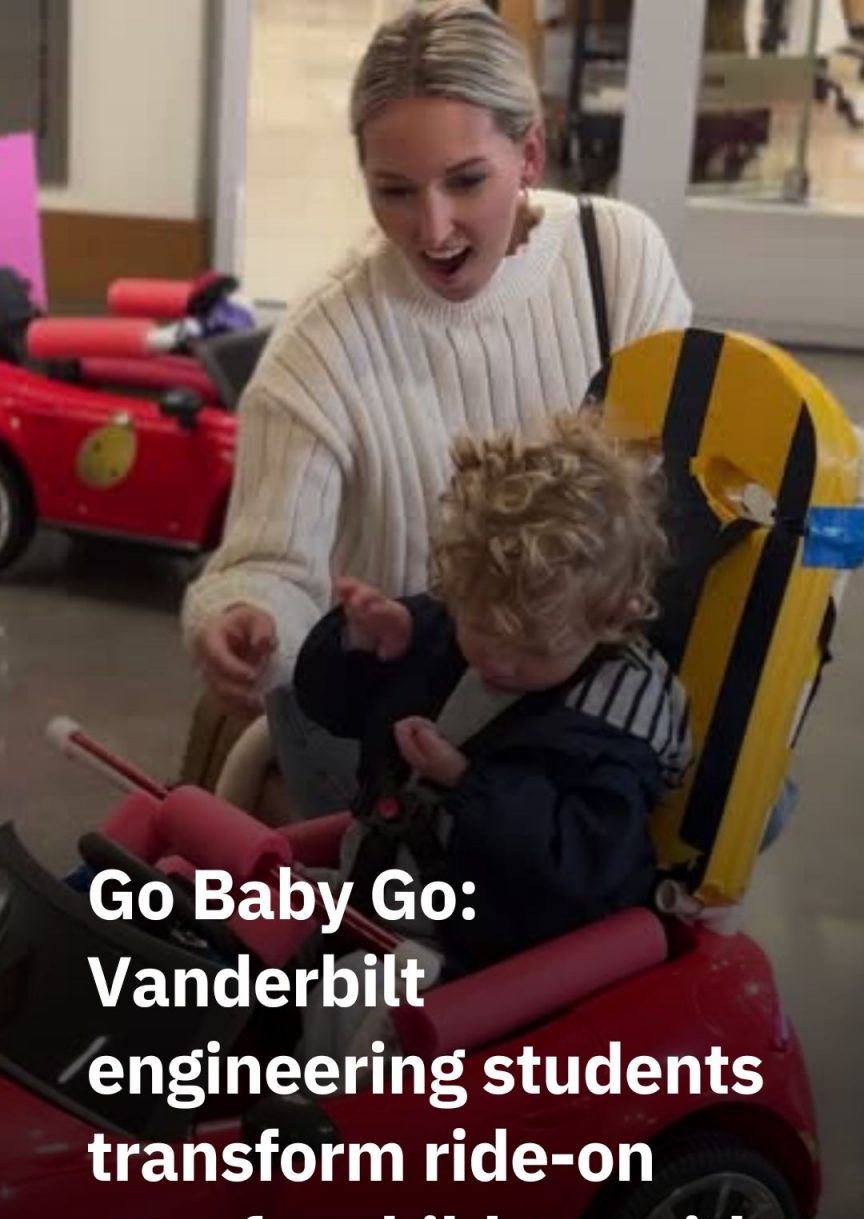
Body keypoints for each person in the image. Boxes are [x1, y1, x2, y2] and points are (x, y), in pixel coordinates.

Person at [180, 0, 692, 817]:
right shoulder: (322, 346)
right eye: (394, 191)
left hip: (582, 693)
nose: (434, 228)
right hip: (407, 708)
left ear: (528, 153)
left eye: (465, 181)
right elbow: (269, 566)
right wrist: (244, 618)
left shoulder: (617, 256)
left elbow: (678, 495)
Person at [291, 408, 693, 1064]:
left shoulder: (614, 727)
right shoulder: (462, 621)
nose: (496, 664)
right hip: (374, 889)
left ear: (611, 617)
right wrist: (369, 648)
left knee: (353, 1004)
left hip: (481, 946)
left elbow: (576, 874)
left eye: (529, 650)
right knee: (243, 930)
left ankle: (322, 1136)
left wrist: (468, 784)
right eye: (478, 628)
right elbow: (328, 710)